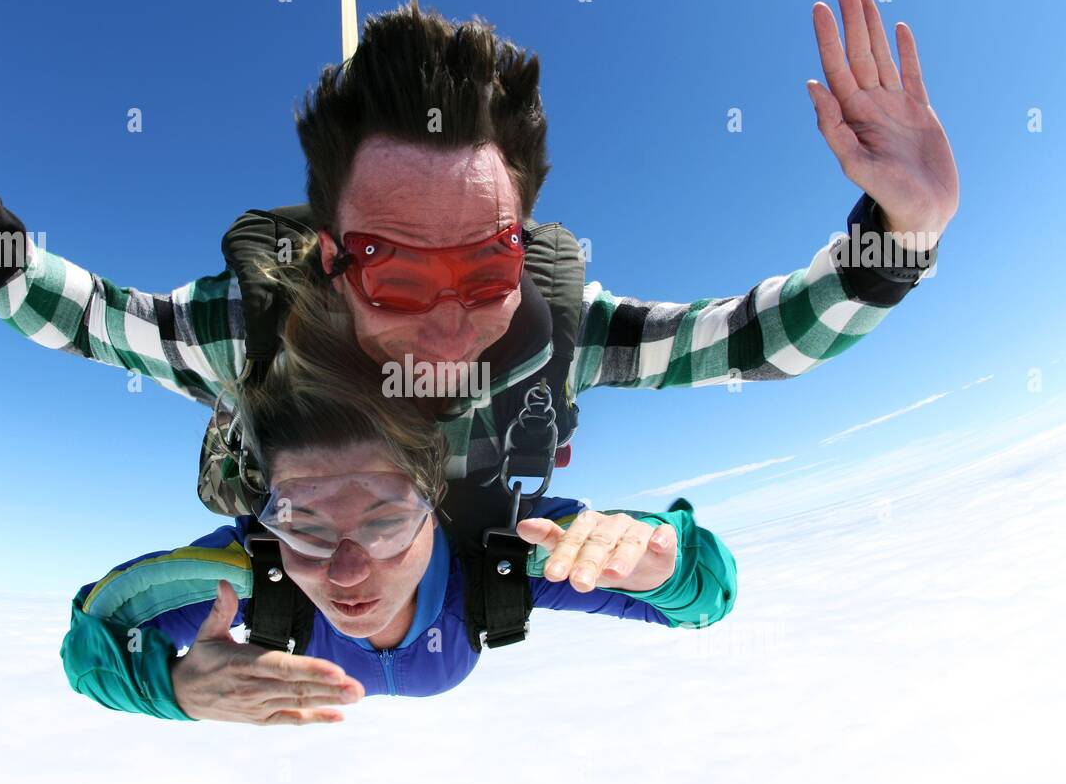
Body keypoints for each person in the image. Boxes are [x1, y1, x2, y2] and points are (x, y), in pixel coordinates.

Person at [0, 0, 957, 534]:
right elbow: (89, 317)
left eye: (482, 270)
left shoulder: (550, 327)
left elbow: (742, 341)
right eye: (399, 273)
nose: (449, 320)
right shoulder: (255, 328)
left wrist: (897, 233)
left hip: (458, 525)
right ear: (330, 260)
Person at [62, 277, 737, 723]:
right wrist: (172, 689)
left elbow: (706, 601)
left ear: (436, 504)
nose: (346, 571)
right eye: (304, 522)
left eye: (385, 521)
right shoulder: (253, 572)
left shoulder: (508, 550)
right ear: (268, 521)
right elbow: (93, 635)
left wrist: (659, 561)